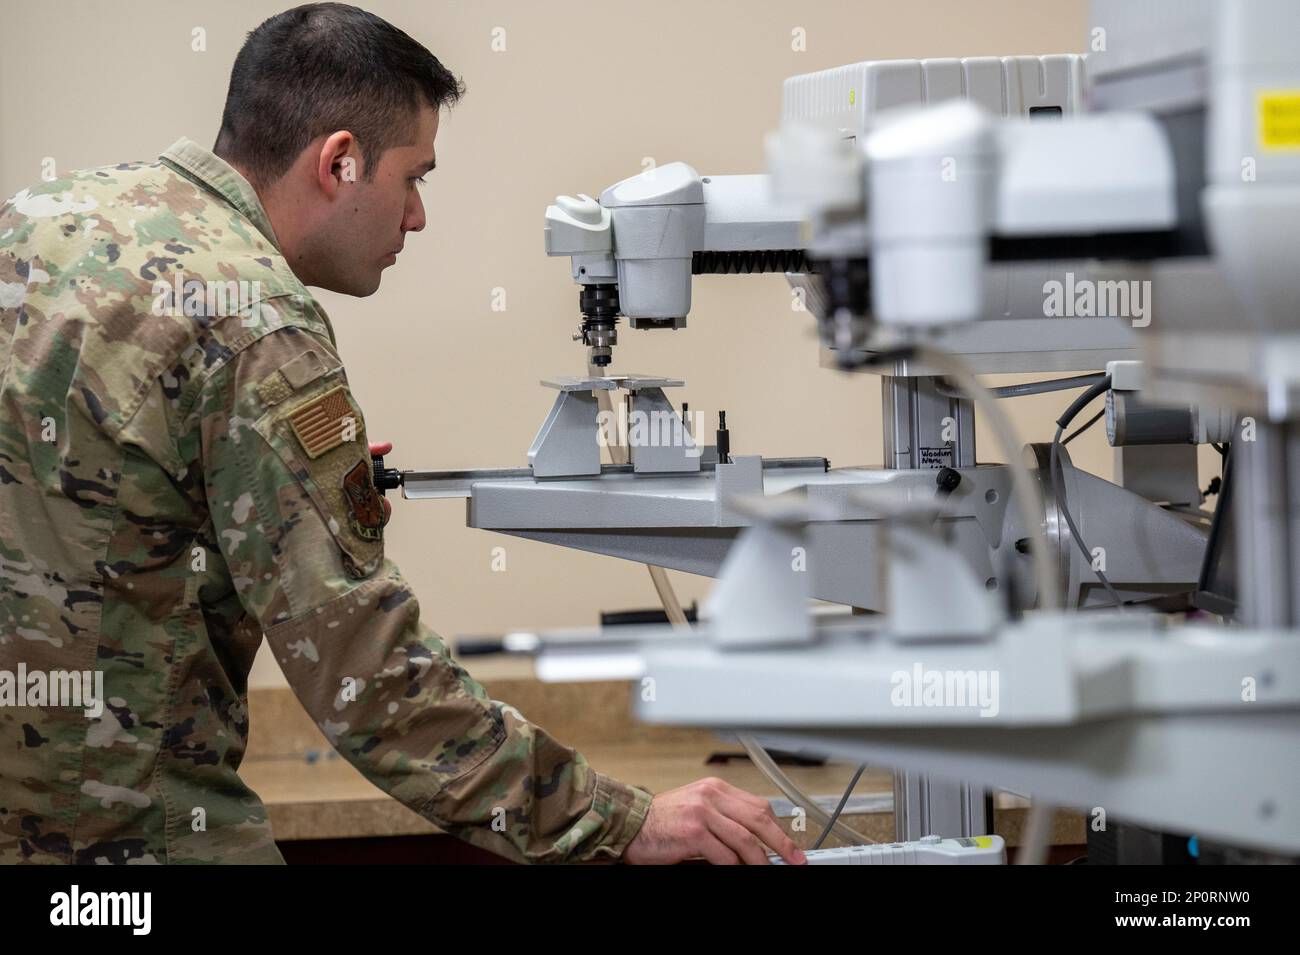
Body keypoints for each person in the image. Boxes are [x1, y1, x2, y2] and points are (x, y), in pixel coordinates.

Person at [0, 2, 805, 865]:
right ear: (340, 162)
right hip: (125, 838)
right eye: (413, 177)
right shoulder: (259, 324)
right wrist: (620, 819)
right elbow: (370, 678)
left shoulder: (40, 222)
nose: (417, 217)